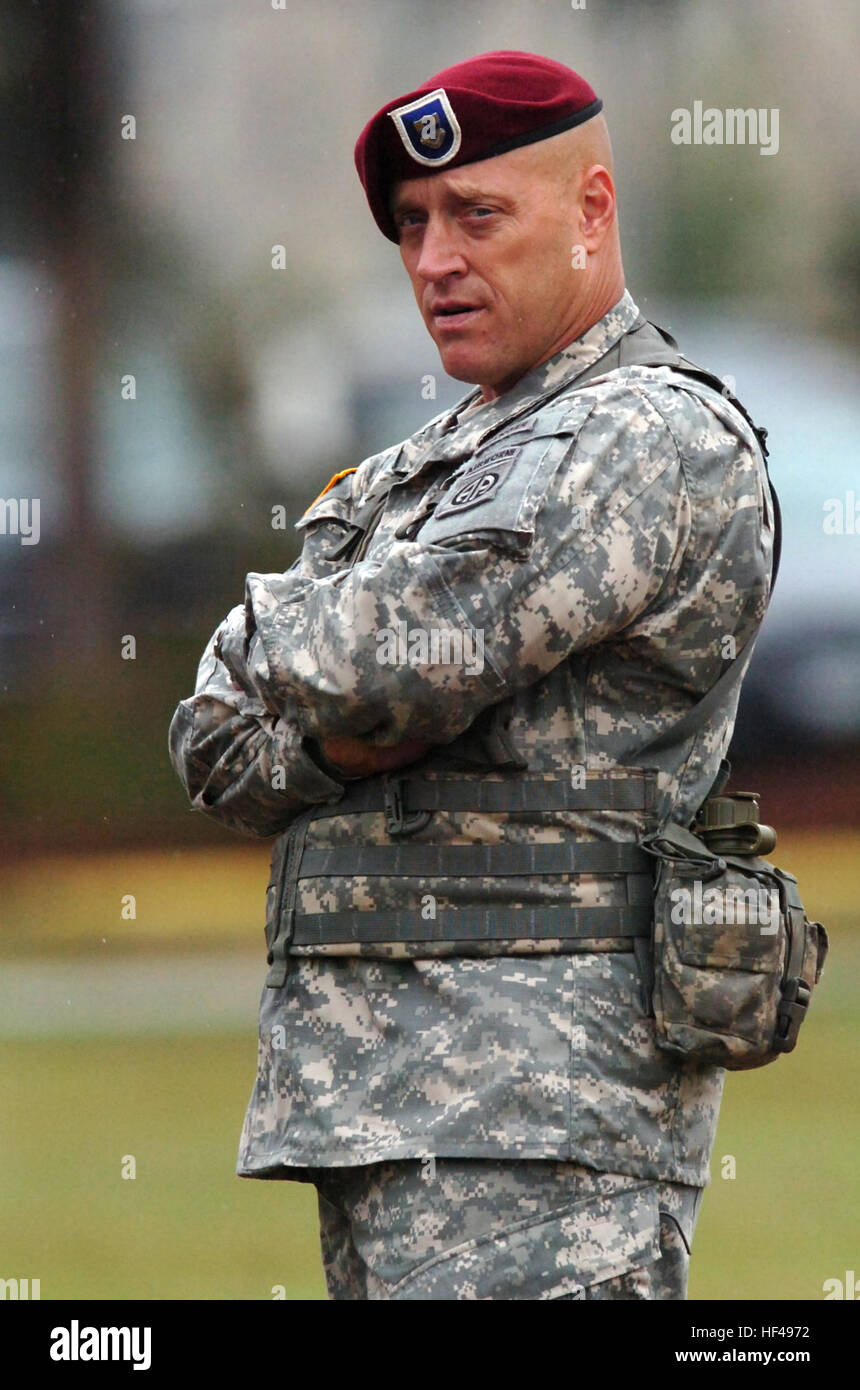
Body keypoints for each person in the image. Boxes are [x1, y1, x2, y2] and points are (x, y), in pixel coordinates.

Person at [169, 50, 776, 1300]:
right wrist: (334, 723)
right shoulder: (421, 465)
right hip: (371, 1106)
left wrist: (316, 670)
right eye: (411, 225)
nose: (434, 258)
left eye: (476, 214)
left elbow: (378, 660)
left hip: (547, 1120)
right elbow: (214, 743)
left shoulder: (650, 432)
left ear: (592, 212)